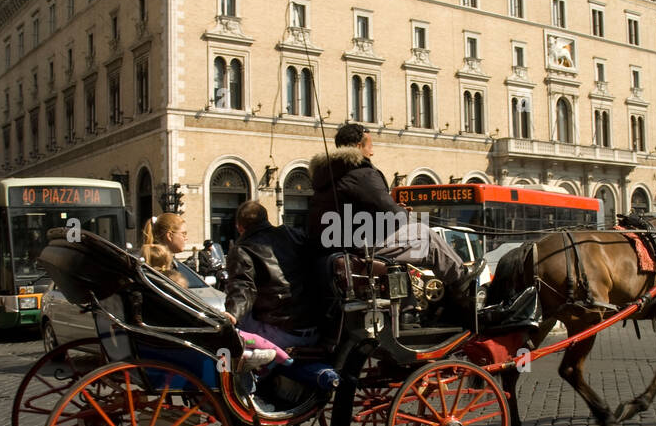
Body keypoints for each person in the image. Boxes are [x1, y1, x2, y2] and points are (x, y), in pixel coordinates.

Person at [307, 123, 482, 314]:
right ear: (358, 146)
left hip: (335, 246)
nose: (372, 153)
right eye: (370, 146)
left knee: (401, 254)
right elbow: (392, 214)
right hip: (357, 247)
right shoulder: (359, 172)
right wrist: (402, 212)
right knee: (425, 237)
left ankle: (407, 310)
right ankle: (461, 280)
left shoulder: (328, 174)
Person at [146, 240, 282, 370]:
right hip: (179, 339)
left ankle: (245, 355)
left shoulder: (150, 285)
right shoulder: (168, 282)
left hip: (163, 340)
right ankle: (238, 361)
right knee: (222, 332)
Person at [223, 200, 317, 351]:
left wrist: (232, 313)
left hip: (281, 332)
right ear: (266, 220)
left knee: (235, 333)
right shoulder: (292, 234)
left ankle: (247, 373)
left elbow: (242, 286)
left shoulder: (242, 249)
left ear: (239, 227)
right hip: (313, 325)